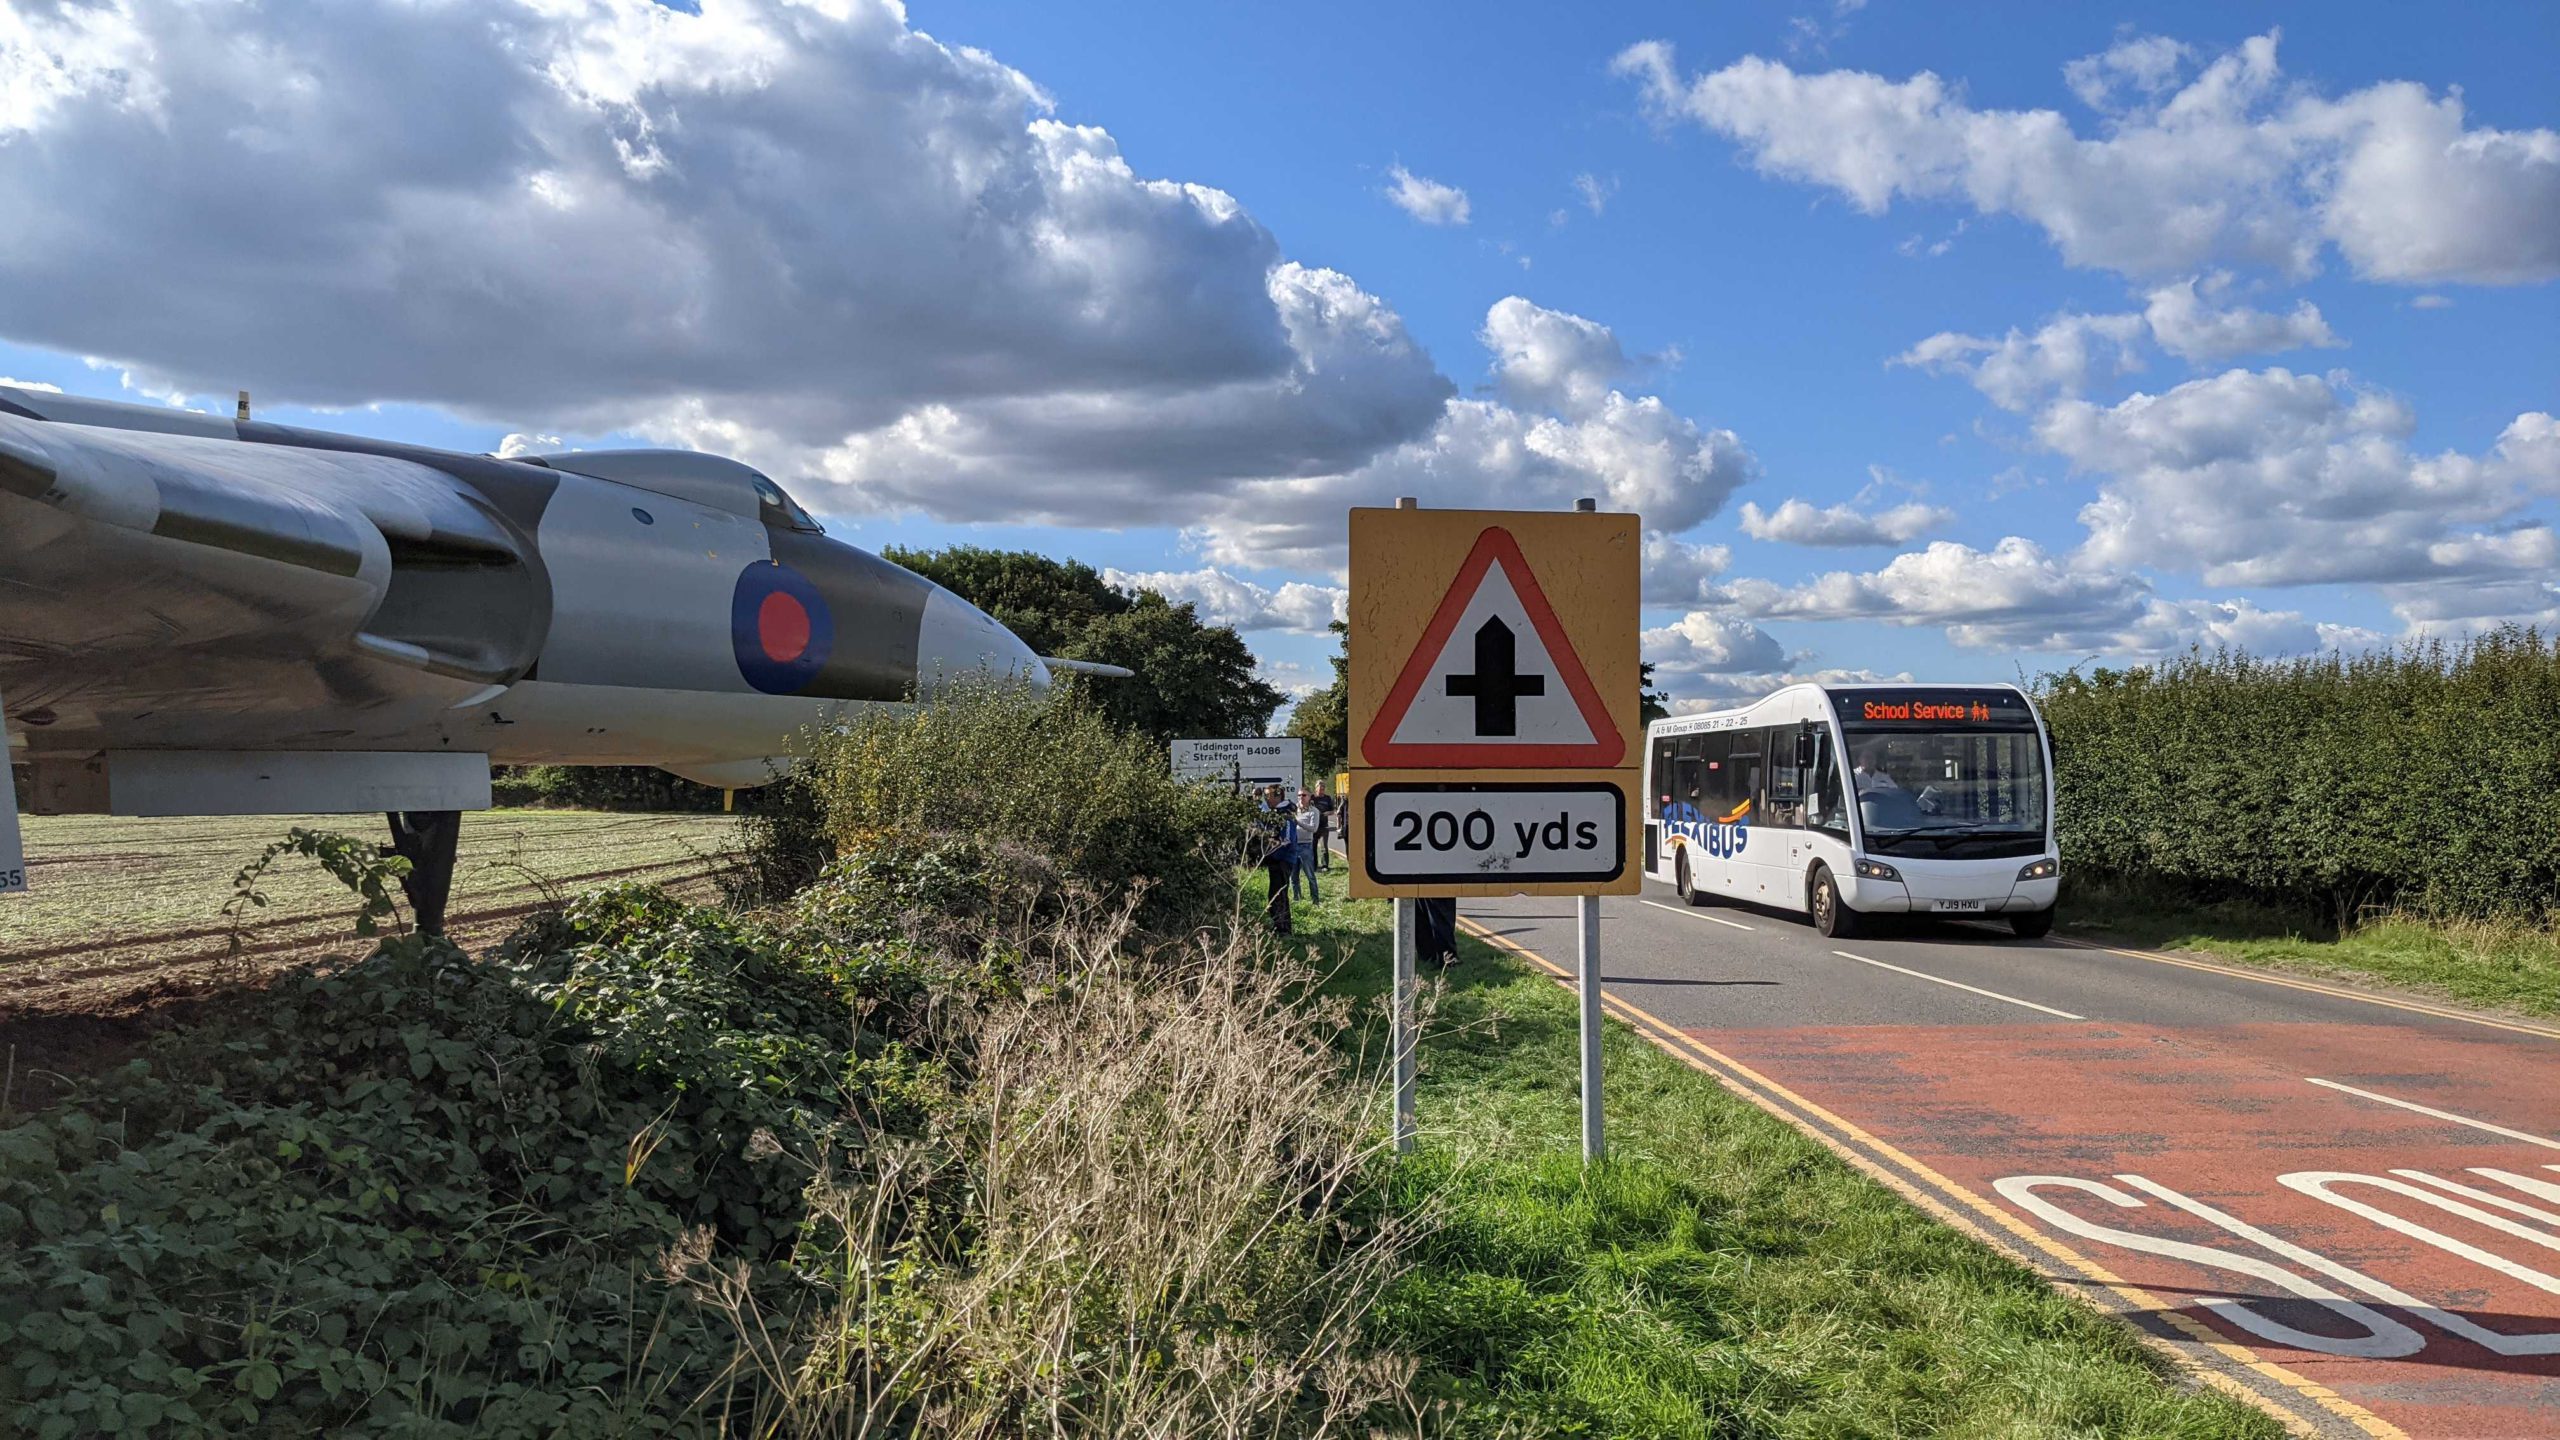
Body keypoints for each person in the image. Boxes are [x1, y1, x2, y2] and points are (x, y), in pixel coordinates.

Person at [1256, 786, 1299, 935]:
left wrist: (1272, 854)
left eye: (1268, 796)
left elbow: (1287, 840)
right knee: (1275, 894)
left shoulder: (1285, 815)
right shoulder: (1275, 813)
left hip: (1283, 860)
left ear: (1278, 796)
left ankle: (1283, 930)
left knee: (1278, 895)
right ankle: (1280, 927)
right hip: (1276, 860)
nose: (1266, 799)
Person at [1291, 787, 1323, 902]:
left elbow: (1314, 828)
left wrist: (1298, 822)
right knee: (1293, 876)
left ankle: (1315, 900)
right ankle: (1297, 899)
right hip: (1293, 845)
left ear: (1309, 797)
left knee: (1310, 875)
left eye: (1304, 795)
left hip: (1306, 845)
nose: (1301, 797)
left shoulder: (1314, 811)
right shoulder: (1294, 810)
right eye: (1299, 795)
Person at [1310, 782, 1337, 871]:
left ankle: (1325, 865)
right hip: (1314, 825)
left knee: (1324, 846)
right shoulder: (1312, 798)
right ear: (1316, 788)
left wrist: (1326, 813)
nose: (1321, 791)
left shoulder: (1327, 798)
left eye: (1323, 789)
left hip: (1324, 825)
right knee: (1313, 846)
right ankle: (1314, 865)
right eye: (1320, 789)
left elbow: (1332, 811)